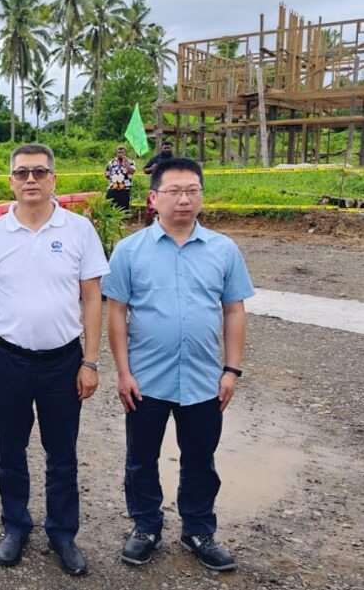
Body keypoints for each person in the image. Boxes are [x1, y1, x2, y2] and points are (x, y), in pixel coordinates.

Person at [102, 157, 253, 572]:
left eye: (192, 191)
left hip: (205, 381)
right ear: (153, 198)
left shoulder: (223, 249)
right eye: (174, 191)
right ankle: (146, 526)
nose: (184, 199)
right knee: (141, 458)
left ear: (202, 196)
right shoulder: (129, 251)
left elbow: (234, 311)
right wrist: (123, 372)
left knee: (201, 459)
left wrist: (232, 369)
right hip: (145, 380)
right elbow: (116, 312)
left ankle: (199, 529)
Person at [0, 143, 109, 576]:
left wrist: (90, 361)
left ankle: (62, 533)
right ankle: (15, 525)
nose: (31, 179)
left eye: (40, 172)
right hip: (8, 359)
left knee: (61, 452)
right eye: (22, 172)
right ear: (10, 180)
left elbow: (91, 298)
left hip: (63, 362)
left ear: (54, 179)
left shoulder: (79, 230)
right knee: (10, 451)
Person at [142, 140, 173, 225]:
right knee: (150, 210)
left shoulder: (175, 160)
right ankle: (147, 229)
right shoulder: (155, 159)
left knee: (170, 210)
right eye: (165, 148)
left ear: (171, 149)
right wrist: (151, 168)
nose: (167, 149)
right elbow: (145, 170)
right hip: (155, 188)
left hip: (170, 189)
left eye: (168, 148)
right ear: (161, 148)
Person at [104, 145, 136, 211]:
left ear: (125, 153)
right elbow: (107, 173)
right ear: (117, 153)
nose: (120, 154)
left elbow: (132, 172)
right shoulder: (111, 162)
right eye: (119, 152)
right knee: (110, 209)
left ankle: (124, 221)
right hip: (113, 189)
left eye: (122, 152)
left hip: (124, 189)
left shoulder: (130, 162)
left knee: (123, 211)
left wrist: (126, 165)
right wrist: (113, 179)